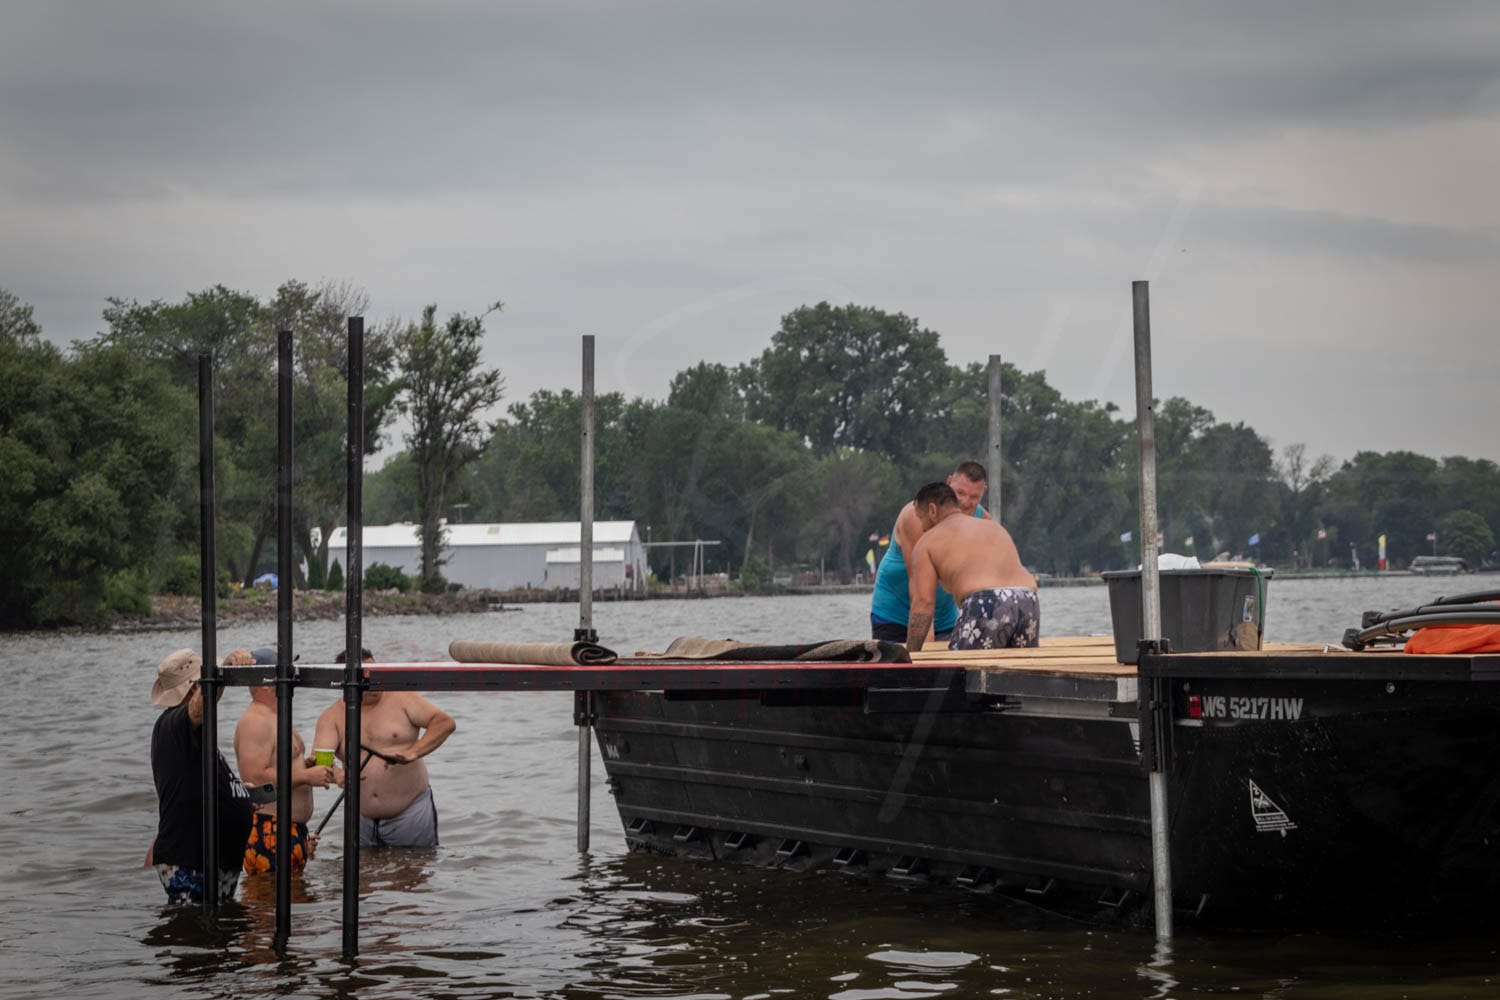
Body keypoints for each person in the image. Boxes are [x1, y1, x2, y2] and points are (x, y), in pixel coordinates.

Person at [313, 648, 456, 848]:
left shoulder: (402, 697)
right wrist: (337, 774)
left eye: (375, 671)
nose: (373, 680)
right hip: (360, 817)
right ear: (345, 680)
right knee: (363, 875)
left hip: (410, 812)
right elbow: (320, 759)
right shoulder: (332, 716)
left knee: (413, 873)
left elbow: (444, 723)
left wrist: (412, 752)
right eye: (364, 674)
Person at [148, 647, 256, 904]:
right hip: (191, 860)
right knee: (193, 935)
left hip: (209, 860)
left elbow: (197, 782)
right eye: (203, 681)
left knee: (209, 934)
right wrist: (218, 674)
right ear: (194, 687)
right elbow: (198, 708)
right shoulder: (173, 725)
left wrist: (238, 793)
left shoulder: (191, 733)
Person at [234, 647, 339, 875]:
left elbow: (279, 764)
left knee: (297, 904)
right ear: (264, 682)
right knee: (268, 906)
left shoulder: (276, 715)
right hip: (269, 829)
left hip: (290, 829)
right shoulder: (256, 721)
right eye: (285, 672)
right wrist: (305, 776)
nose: (291, 678)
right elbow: (255, 777)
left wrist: (307, 766)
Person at [905, 481, 1039, 652]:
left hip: (987, 602)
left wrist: (910, 654)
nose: (922, 527)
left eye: (920, 518)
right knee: (1017, 673)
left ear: (932, 510)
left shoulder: (926, 542)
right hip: (1027, 599)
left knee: (961, 673)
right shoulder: (992, 527)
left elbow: (924, 602)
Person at [870, 461, 991, 643]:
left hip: (945, 617)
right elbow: (919, 588)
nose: (965, 503)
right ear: (949, 483)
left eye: (974, 497)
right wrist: (926, 647)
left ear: (984, 491)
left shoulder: (983, 521)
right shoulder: (918, 515)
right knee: (908, 667)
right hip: (895, 614)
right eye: (960, 493)